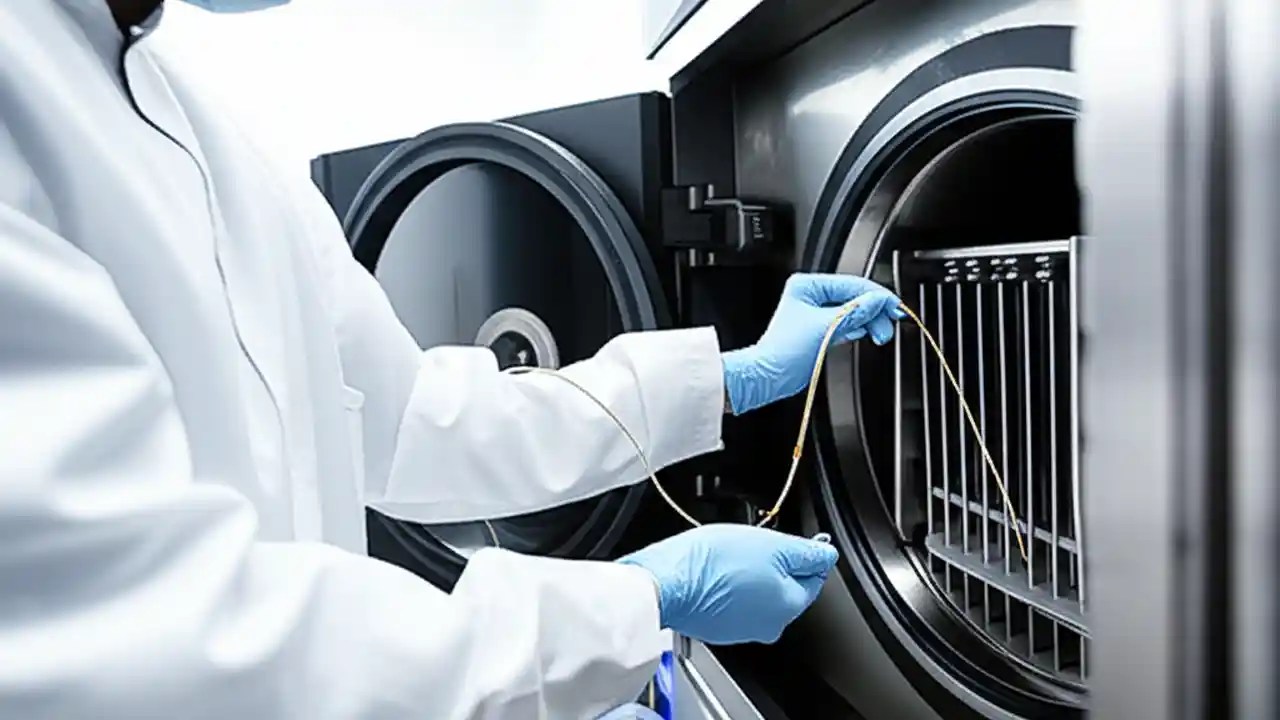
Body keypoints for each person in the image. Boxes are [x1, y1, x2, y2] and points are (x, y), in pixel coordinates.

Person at [0, 1, 904, 718]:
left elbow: (416, 423)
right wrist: (635, 603)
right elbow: (153, 644)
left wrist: (730, 377)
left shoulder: (221, 146)